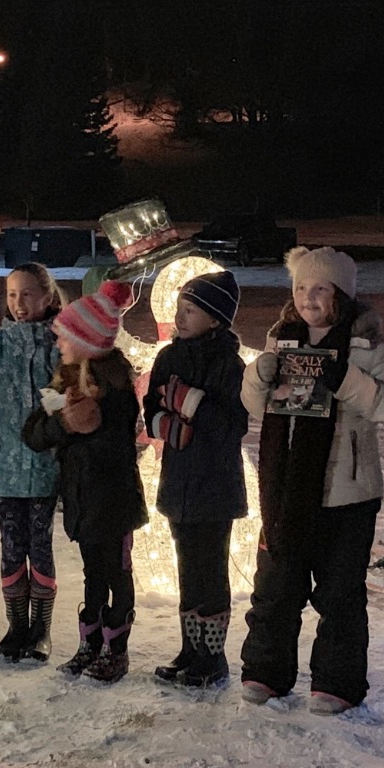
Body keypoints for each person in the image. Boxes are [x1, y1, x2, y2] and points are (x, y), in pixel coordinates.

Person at [240, 247, 384, 716]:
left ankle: (336, 681)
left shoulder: (370, 345)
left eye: (319, 289)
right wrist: (259, 373)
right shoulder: (282, 339)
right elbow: (257, 406)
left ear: (341, 293)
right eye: (300, 287)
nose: (307, 298)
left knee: (339, 593)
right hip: (286, 488)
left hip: (346, 492)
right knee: (277, 585)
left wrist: (346, 379)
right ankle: (266, 671)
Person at [23, 280, 145, 683]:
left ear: (87, 342)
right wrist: (63, 424)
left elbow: (118, 450)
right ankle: (90, 644)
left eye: (64, 336)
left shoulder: (115, 391)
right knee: (93, 574)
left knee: (116, 573)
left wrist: (85, 428)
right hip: (81, 501)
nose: (57, 342)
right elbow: (33, 434)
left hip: (113, 501)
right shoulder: (65, 385)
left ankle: (116, 648)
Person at [143, 268, 249, 689]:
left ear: (216, 319)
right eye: (180, 308)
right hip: (179, 481)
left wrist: (187, 401)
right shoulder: (169, 358)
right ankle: (189, 649)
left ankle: (213, 656)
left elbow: (230, 426)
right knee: (187, 568)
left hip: (215, 485)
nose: (180, 317)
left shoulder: (230, 364)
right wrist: (172, 417)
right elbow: (152, 412)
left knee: (210, 568)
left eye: (191, 310)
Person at [0, 263, 65, 663]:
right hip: (6, 469)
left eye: (28, 294)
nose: (19, 303)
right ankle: (16, 626)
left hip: (45, 468)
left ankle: (41, 629)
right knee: (11, 547)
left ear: (47, 297)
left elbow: (68, 403)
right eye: (12, 295)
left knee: (40, 546)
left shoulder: (61, 346)